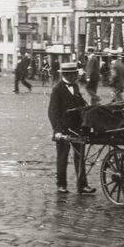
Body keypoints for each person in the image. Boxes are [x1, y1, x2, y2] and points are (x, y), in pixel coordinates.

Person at [47, 62, 95, 195]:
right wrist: (57, 130)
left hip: (76, 128)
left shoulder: (74, 86)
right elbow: (52, 112)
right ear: (66, 74)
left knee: (80, 157)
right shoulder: (57, 89)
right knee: (62, 158)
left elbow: (79, 104)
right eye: (73, 74)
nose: (76, 77)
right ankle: (61, 185)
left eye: (75, 74)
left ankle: (82, 185)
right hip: (63, 129)